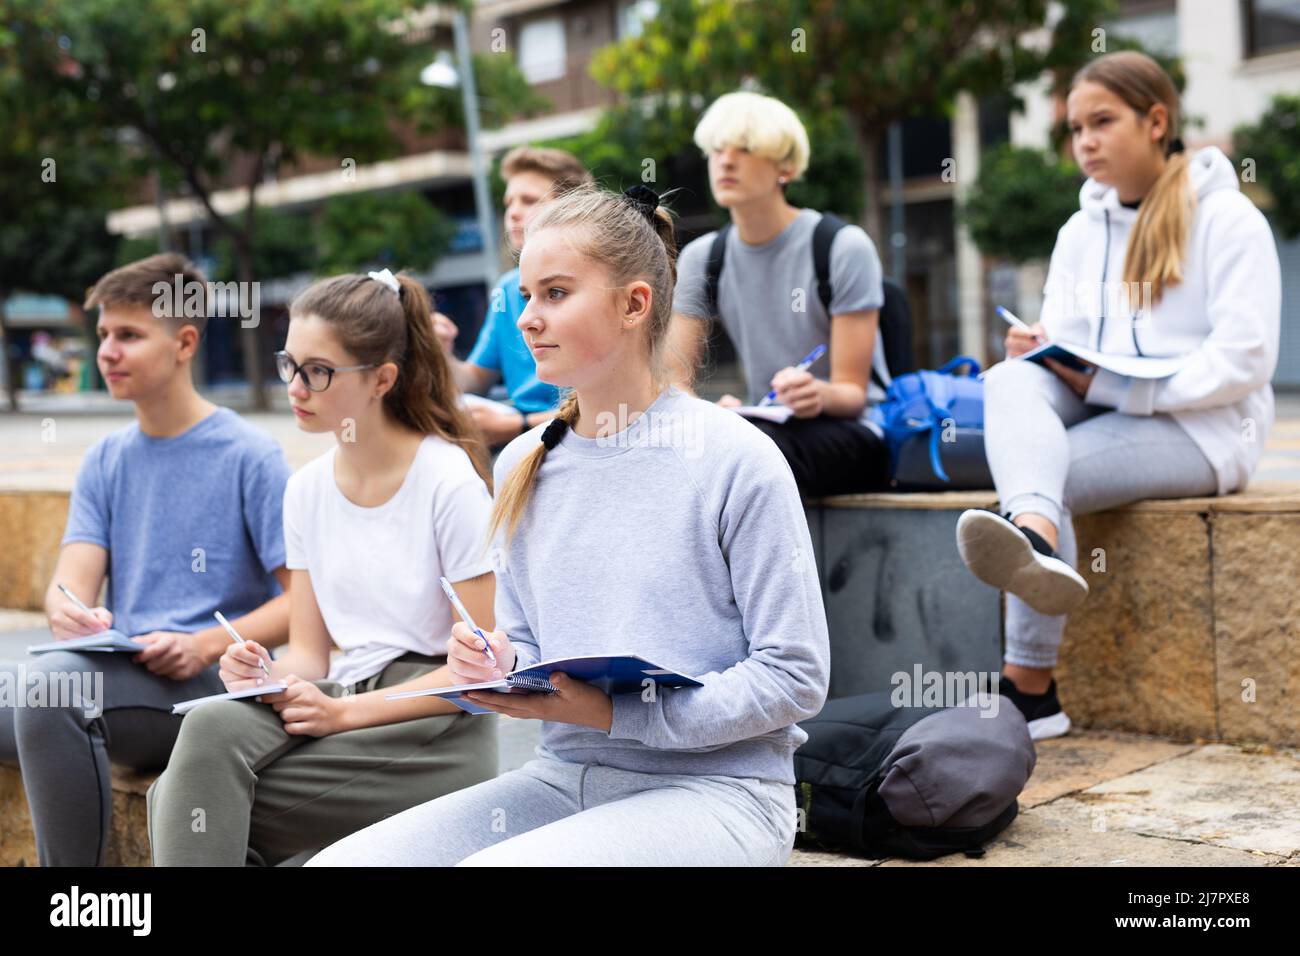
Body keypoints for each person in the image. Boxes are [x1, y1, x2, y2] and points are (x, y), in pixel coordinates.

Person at [307, 185, 829, 867]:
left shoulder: (738, 458)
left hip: (720, 791)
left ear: (635, 304)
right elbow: (525, 640)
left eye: (554, 293)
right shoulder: (525, 461)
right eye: (525, 295)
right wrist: (494, 664)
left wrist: (619, 715)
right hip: (562, 782)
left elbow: (795, 675)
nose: (527, 318)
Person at [956, 51, 1281, 740]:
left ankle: (1028, 689)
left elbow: (1247, 359)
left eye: (1102, 122)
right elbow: (1077, 342)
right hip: (1106, 405)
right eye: (1075, 130)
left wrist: (1117, 389)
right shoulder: (1081, 229)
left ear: (1156, 120)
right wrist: (1045, 348)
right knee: (1009, 379)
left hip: (1207, 429)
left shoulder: (1228, 221)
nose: (1085, 143)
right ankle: (1034, 538)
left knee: (1049, 474)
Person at [146, 269, 499, 865]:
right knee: (209, 723)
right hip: (343, 697)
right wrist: (262, 672)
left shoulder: (446, 481)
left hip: (433, 728)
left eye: (319, 371)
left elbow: (483, 674)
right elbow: (309, 656)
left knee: (179, 802)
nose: (296, 387)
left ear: (382, 379)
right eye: (290, 365)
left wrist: (342, 714)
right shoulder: (305, 489)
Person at [0, 253, 292, 865]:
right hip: (124, 677)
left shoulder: (250, 456)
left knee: (52, 694)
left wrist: (203, 646)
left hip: (209, 689)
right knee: (41, 689)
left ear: (184, 342)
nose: (107, 350)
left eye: (128, 335)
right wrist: (73, 617)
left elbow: (304, 604)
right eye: (103, 334)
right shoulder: (106, 459)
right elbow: (67, 589)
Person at [670, 90, 892, 497]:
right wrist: (711, 414)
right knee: (699, 446)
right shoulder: (702, 258)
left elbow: (853, 395)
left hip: (853, 433)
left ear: (785, 167)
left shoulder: (842, 246)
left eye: (746, 149)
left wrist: (817, 394)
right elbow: (674, 382)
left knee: (753, 455)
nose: (726, 161)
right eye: (716, 150)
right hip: (763, 429)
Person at [434, 146, 594, 448]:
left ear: (572, 207)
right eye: (508, 202)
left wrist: (519, 425)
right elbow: (474, 379)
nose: (513, 212)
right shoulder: (506, 289)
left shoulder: (598, 280)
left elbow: (614, 406)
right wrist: (436, 350)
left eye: (529, 200)